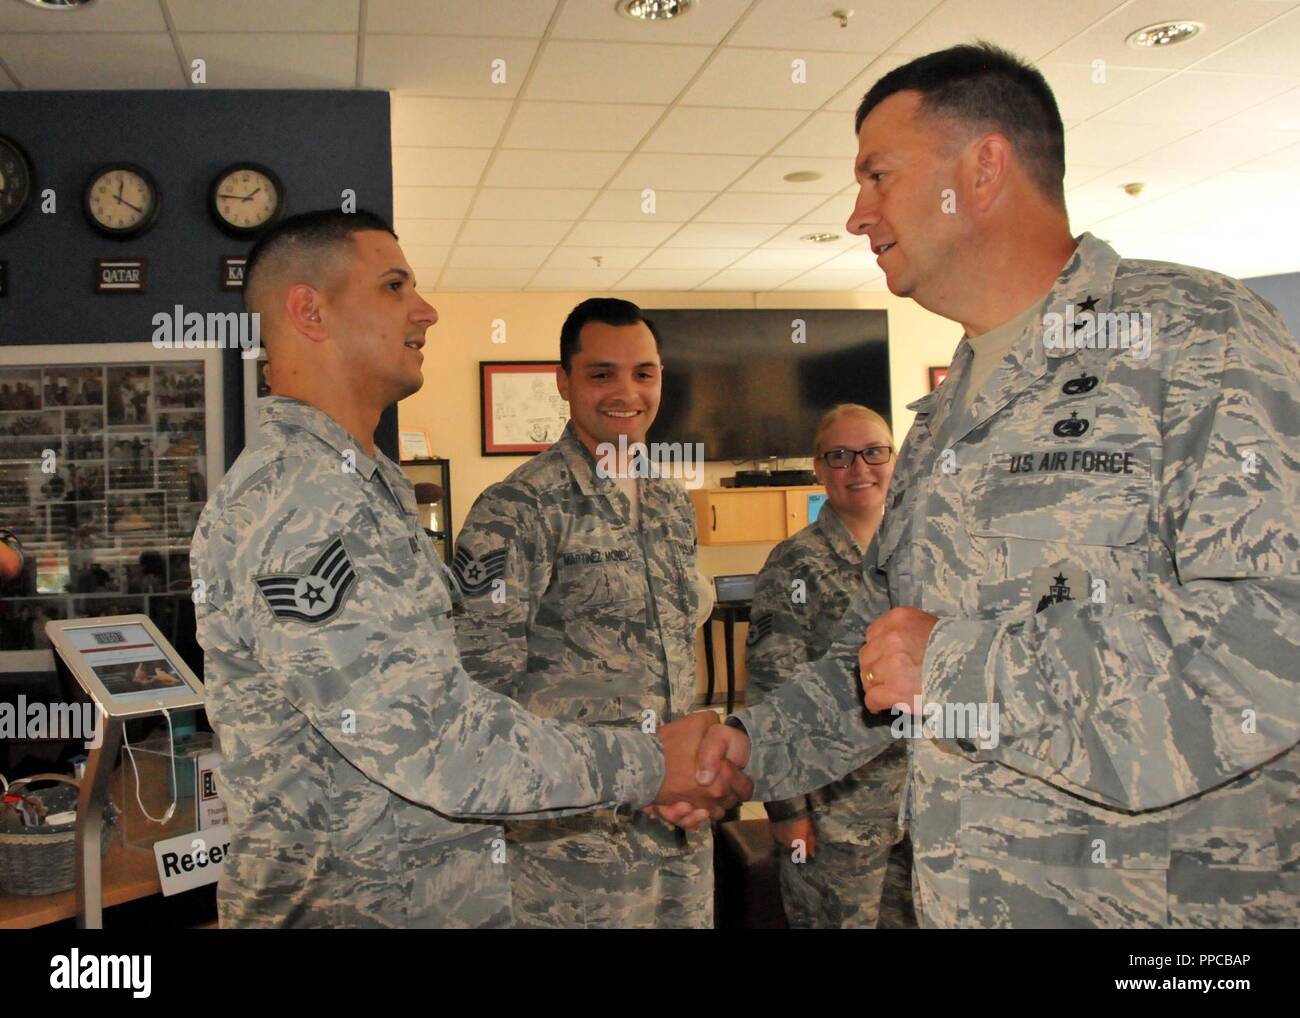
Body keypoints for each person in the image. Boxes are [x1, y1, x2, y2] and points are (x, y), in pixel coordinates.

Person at [678, 42, 1300, 928]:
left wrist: (963, 665)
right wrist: (745, 750)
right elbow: (874, 659)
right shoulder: (940, 421)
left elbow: (1273, 647)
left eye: (878, 176)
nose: (857, 215)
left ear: (982, 168)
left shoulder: (1196, 337)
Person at [190, 211, 747, 929]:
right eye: (395, 287)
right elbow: (437, 742)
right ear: (309, 311)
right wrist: (649, 763)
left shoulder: (363, 488)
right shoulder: (301, 503)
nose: (427, 311)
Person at [452, 297, 713, 928]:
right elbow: (480, 688)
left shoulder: (672, 502)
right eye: (602, 374)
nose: (627, 392)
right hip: (572, 845)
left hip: (677, 825)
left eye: (643, 373)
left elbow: (678, 651)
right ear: (564, 382)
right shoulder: (518, 507)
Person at [745, 404, 914, 929]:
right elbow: (771, 691)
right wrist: (788, 811)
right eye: (839, 456)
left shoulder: (921, 554)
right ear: (818, 468)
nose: (859, 469)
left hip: (924, 806)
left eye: (874, 453)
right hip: (835, 813)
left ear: (895, 459)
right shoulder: (795, 564)